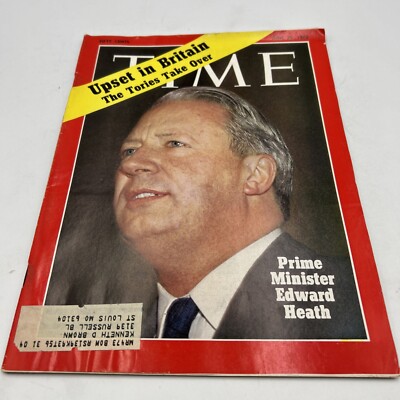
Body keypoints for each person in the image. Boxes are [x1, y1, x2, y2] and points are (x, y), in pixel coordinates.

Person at [113, 87, 366, 340]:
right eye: (129, 151)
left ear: (256, 175)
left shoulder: (354, 299)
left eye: (175, 144)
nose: (131, 164)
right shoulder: (116, 315)